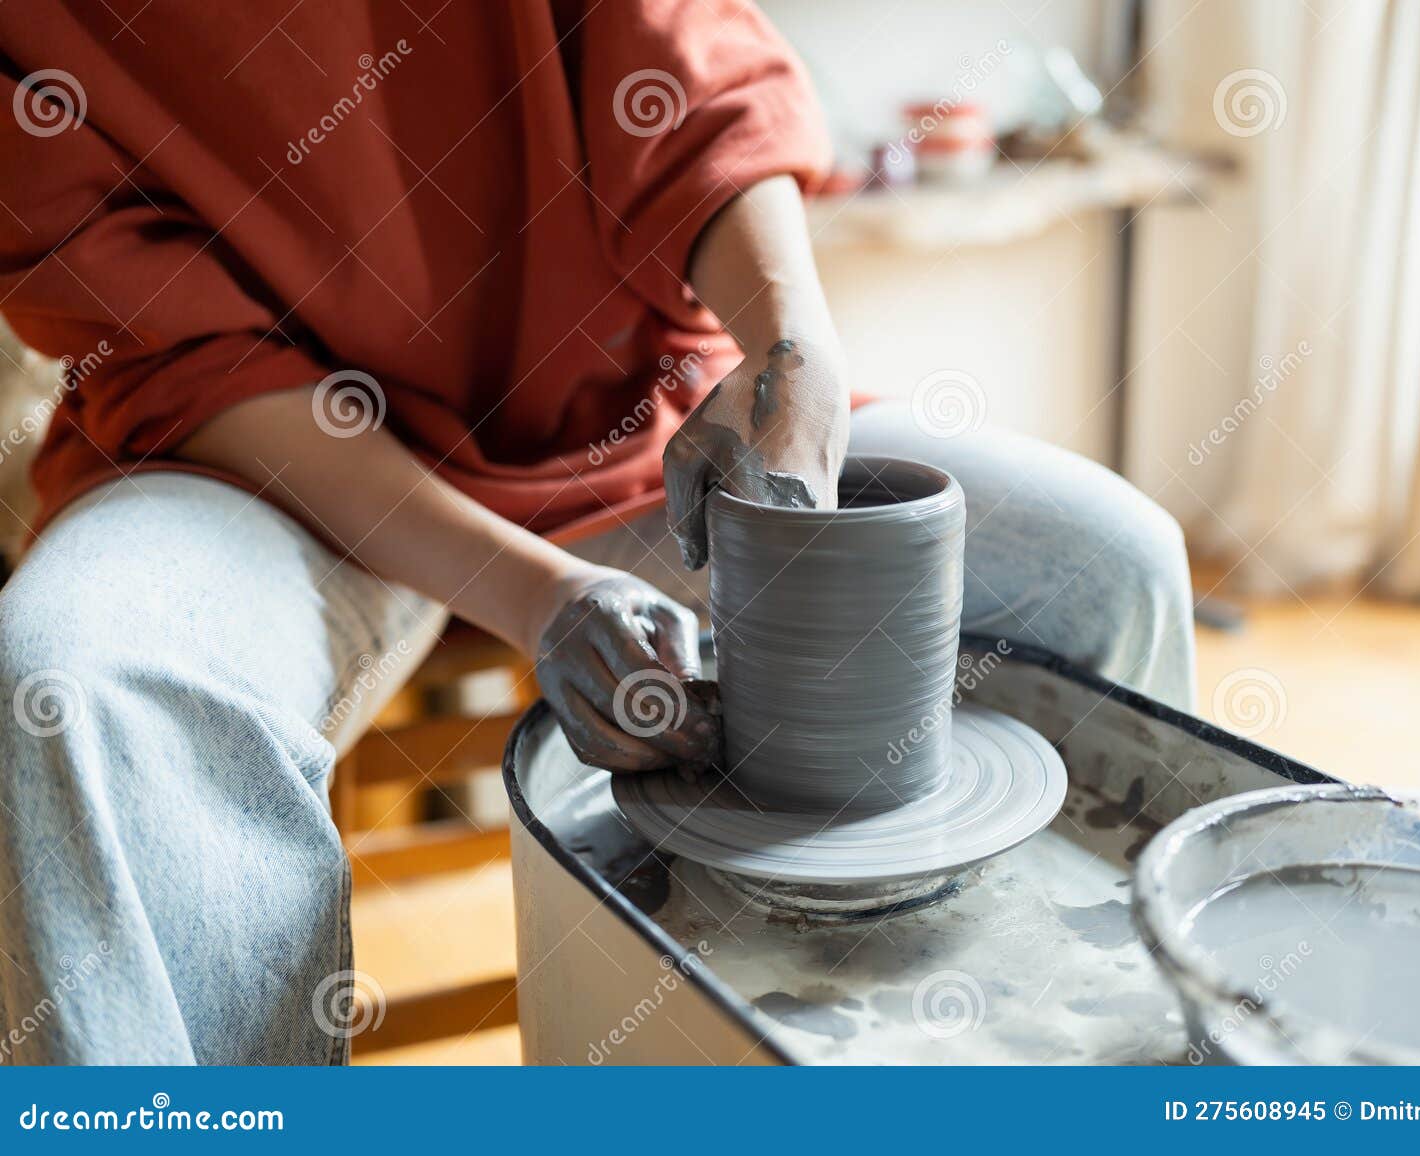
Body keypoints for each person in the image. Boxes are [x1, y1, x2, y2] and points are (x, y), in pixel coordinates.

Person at [0, 1, 1193, 1064]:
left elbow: (691, 88)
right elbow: (172, 338)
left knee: (1104, 568)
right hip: (263, 469)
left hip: (626, 428)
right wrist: (534, 592)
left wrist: (794, 348)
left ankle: (1040, 1059)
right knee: (76, 687)